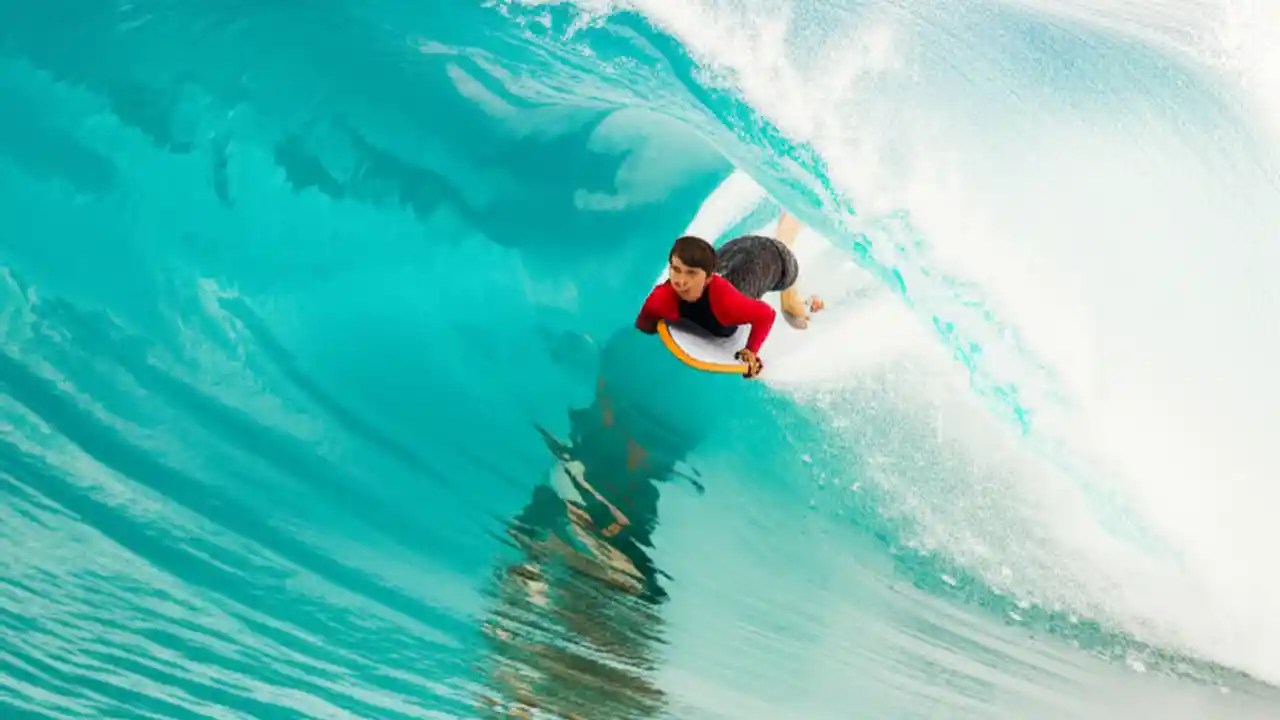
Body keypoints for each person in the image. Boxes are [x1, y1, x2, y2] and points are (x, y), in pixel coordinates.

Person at [633, 212, 823, 378]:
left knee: (793, 315)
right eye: (676, 269)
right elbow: (643, 326)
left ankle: (792, 215)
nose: (680, 281)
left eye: (690, 273)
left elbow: (766, 314)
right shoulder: (660, 298)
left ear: (707, 279)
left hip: (774, 259)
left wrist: (751, 351)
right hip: (734, 251)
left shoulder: (725, 303)